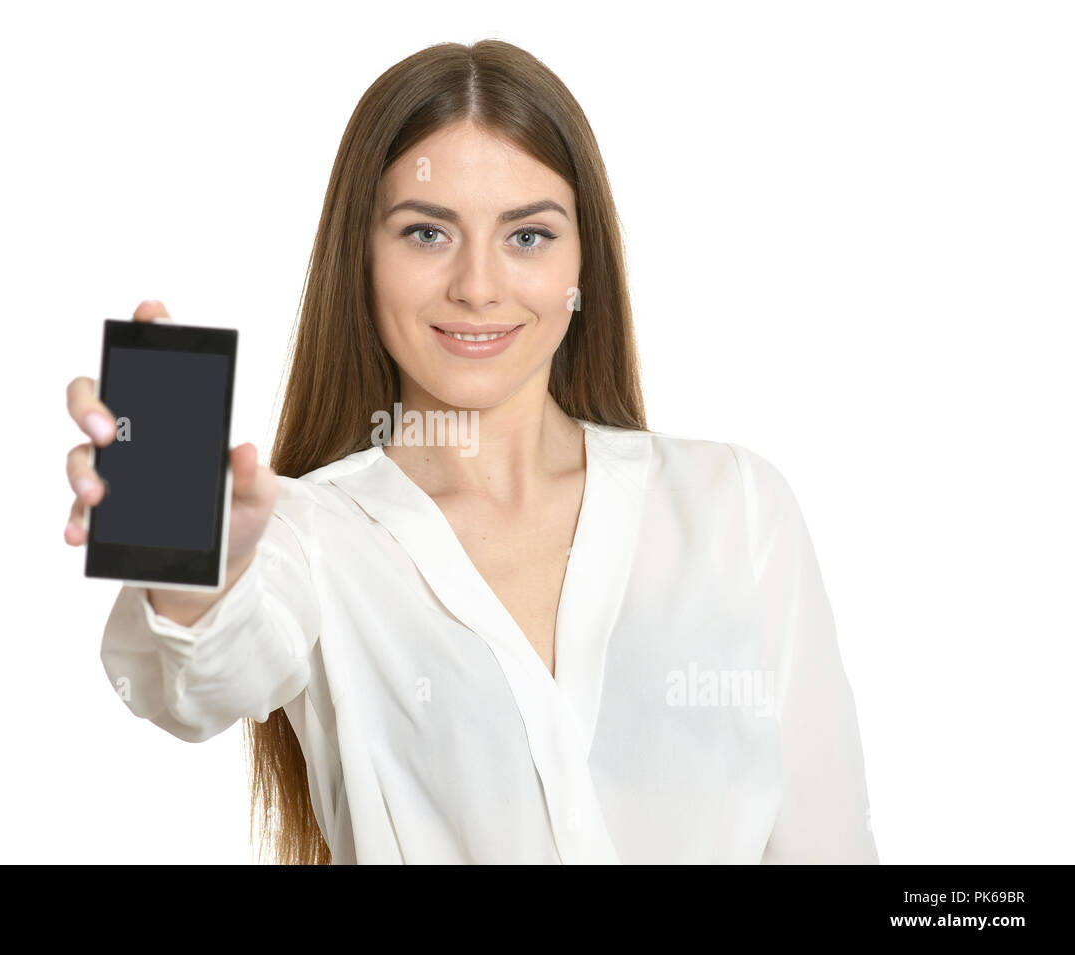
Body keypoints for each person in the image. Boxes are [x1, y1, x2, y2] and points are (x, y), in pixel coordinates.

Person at [63, 40, 879, 865]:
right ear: (362, 255)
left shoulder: (732, 504)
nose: (478, 286)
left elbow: (830, 845)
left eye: (527, 236)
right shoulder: (310, 536)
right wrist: (190, 569)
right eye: (426, 232)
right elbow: (198, 687)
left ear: (582, 259)